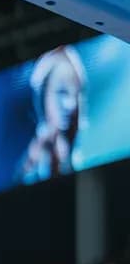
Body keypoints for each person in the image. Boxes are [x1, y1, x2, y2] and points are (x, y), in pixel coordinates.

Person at [18, 46, 87, 183]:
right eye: (62, 92)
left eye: (75, 94)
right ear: (42, 97)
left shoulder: (80, 154)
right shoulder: (32, 156)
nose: (70, 105)